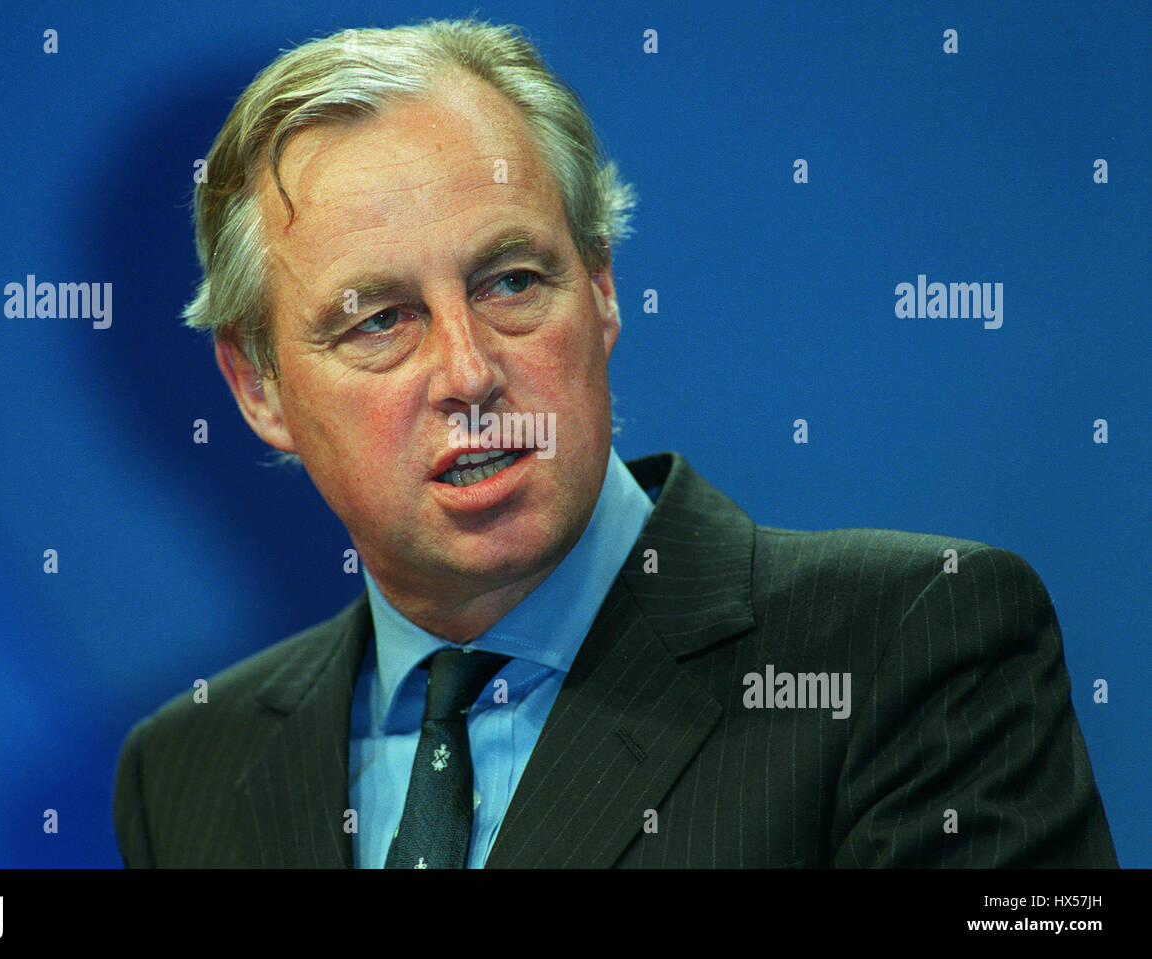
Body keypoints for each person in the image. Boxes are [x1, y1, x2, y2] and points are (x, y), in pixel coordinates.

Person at [112, 18, 1117, 868]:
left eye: (512, 280)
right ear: (258, 385)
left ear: (600, 289)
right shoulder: (186, 770)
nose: (468, 372)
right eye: (379, 318)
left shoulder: (913, 644)